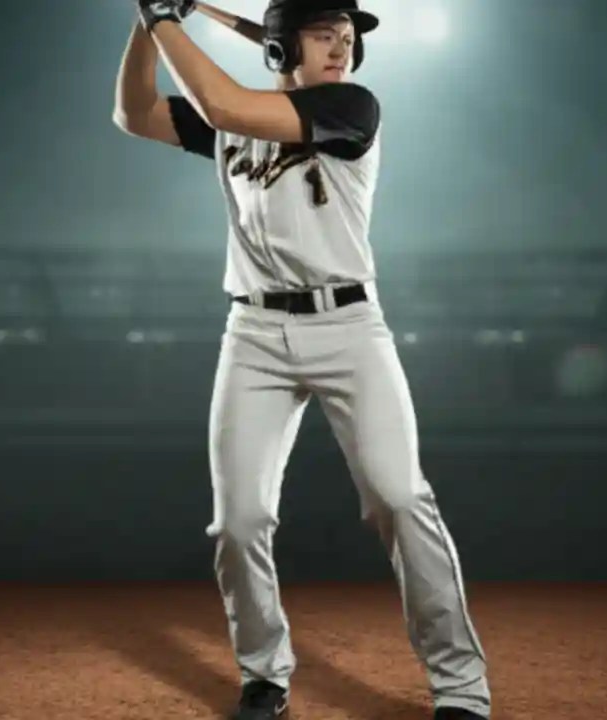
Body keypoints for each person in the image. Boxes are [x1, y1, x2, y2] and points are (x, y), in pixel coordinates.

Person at [113, 1, 491, 717]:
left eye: (346, 37)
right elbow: (133, 113)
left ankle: (461, 688)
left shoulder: (352, 107)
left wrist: (167, 19)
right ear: (280, 48)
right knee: (238, 521)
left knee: (400, 498)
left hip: (348, 327)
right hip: (253, 333)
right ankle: (264, 675)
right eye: (323, 35)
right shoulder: (235, 121)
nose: (341, 49)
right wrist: (144, 22)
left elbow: (224, 104)